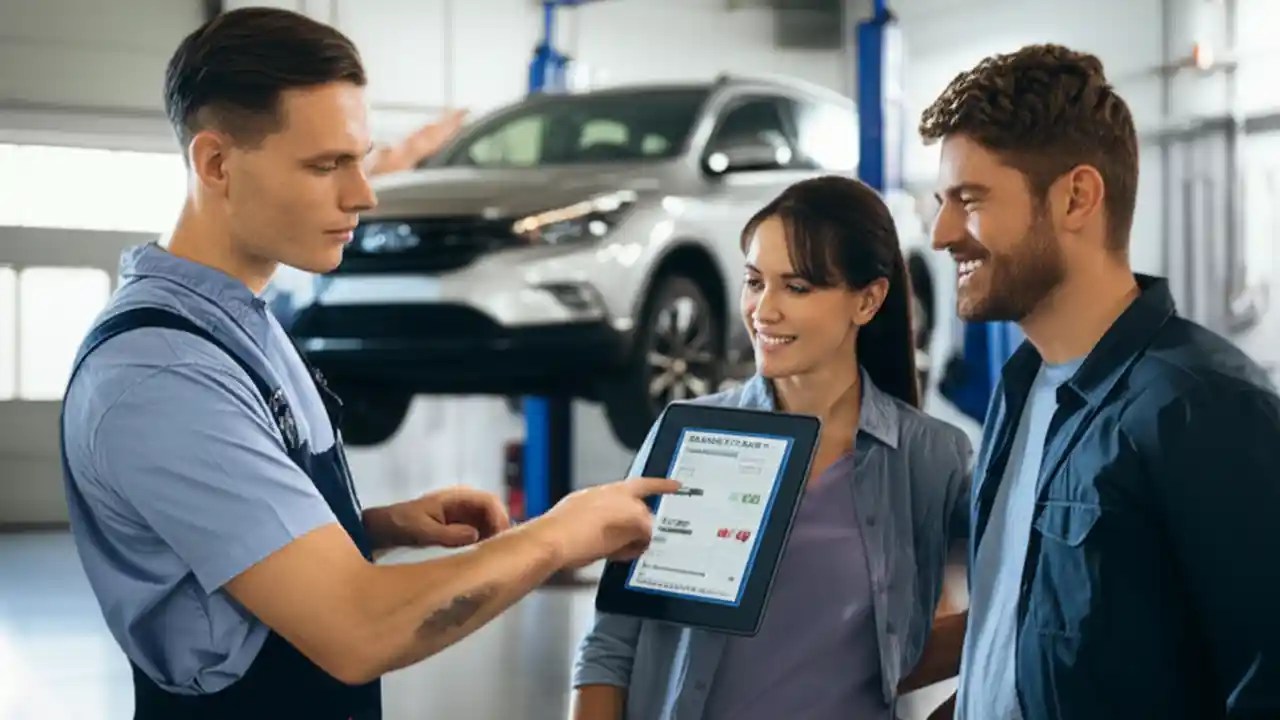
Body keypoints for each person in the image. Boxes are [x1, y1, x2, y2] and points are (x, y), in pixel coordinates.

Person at [58, 8, 678, 720]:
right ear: (216, 163)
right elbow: (356, 629)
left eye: (362, 158)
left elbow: (221, 553)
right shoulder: (162, 377)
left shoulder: (241, 323)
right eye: (327, 166)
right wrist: (560, 534)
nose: (364, 195)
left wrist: (369, 527)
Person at [920, 43, 1280, 720]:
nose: (941, 235)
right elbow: (1029, 640)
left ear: (1077, 198)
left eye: (968, 200)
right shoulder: (1020, 388)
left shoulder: (1201, 408)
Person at [572, 176, 973, 720]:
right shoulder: (689, 432)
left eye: (797, 287)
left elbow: (1015, 616)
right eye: (755, 282)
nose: (765, 310)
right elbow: (611, 644)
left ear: (868, 299)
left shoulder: (931, 458)